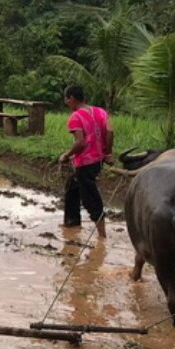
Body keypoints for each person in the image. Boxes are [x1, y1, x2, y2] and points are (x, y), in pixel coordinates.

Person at [58, 85, 113, 238]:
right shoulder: (100, 112)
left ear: (71, 98)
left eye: (66, 99)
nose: (66, 103)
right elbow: (110, 131)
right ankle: (72, 223)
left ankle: (102, 236)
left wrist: (66, 155)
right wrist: (108, 153)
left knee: (90, 198)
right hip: (97, 161)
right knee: (72, 187)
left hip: (85, 163)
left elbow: (80, 143)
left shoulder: (75, 117)